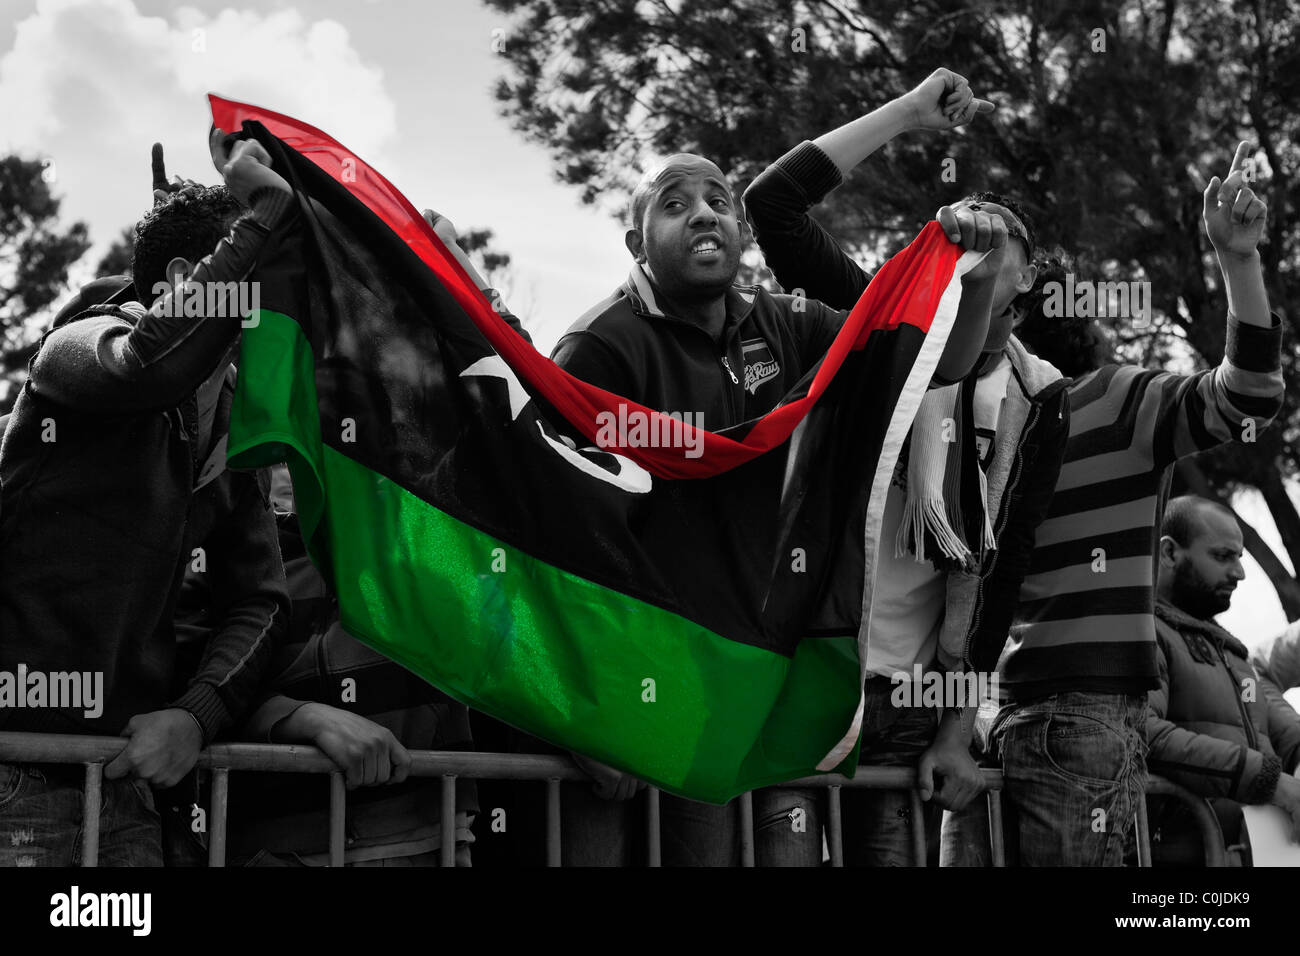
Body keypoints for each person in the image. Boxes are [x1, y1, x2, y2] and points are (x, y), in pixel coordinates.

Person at [548, 68, 1009, 866]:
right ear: (635, 245)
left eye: (719, 201)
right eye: (675, 202)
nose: (705, 214)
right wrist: (586, 709)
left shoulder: (786, 320)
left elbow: (933, 367)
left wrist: (972, 281)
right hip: (648, 689)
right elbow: (557, 536)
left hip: (756, 685)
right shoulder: (597, 346)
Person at [742, 68, 1071, 865]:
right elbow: (771, 207)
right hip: (809, 672)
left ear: (1024, 282)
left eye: (995, 249)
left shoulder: (1039, 395)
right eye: (961, 238)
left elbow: (1001, 568)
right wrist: (910, 113)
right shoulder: (875, 333)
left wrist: (959, 731)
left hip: (914, 700)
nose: (973, 253)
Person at [938, 142, 1285, 866]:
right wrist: (1239, 263)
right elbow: (1248, 396)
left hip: (1034, 719)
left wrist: (1240, 261)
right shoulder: (989, 414)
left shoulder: (1101, 403)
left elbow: (1247, 398)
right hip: (1015, 722)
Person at [0, 131, 293, 866]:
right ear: (188, 276)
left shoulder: (235, 424)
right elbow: (148, 368)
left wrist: (195, 716)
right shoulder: (75, 350)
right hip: (14, 773)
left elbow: (257, 601)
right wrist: (266, 211)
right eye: (263, 275)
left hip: (123, 783)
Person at [1145, 496, 1300, 865]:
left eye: (1240, 558)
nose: (1240, 573)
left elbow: (1283, 731)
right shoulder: (1142, 634)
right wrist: (1269, 782)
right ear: (1169, 553)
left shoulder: (1234, 655)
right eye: (1222, 556)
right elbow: (1144, 733)